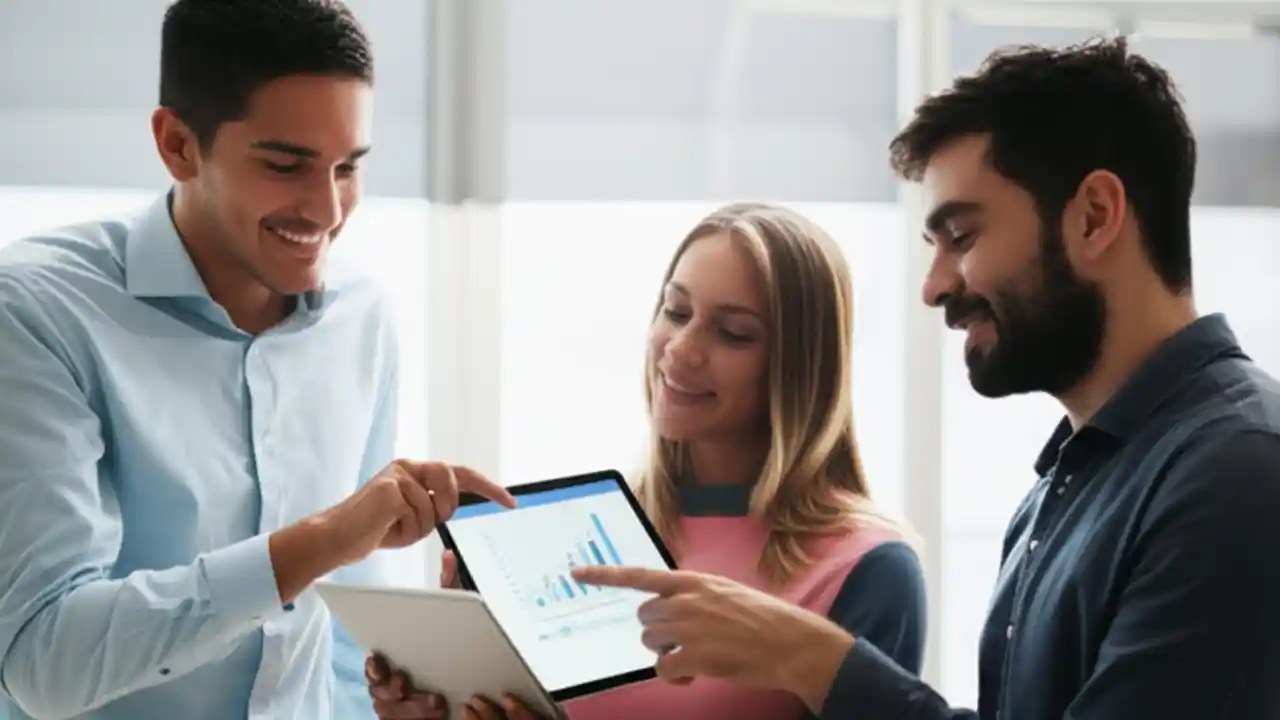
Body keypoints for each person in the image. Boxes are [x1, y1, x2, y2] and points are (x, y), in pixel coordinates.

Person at [573, 37, 1280, 719]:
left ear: (1094, 216)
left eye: (963, 237)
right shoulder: (1062, 494)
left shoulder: (1236, 472)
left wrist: (816, 663)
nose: (935, 286)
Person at [0, 2, 516, 719]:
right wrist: (315, 543)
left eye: (348, 167)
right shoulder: (36, 313)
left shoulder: (361, 319)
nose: (328, 210)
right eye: (286, 164)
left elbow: (344, 631)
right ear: (178, 144)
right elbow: (42, 661)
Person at [366, 203, 929, 719]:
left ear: (800, 368)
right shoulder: (579, 532)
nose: (681, 349)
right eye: (676, 311)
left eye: (733, 333)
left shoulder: (866, 568)